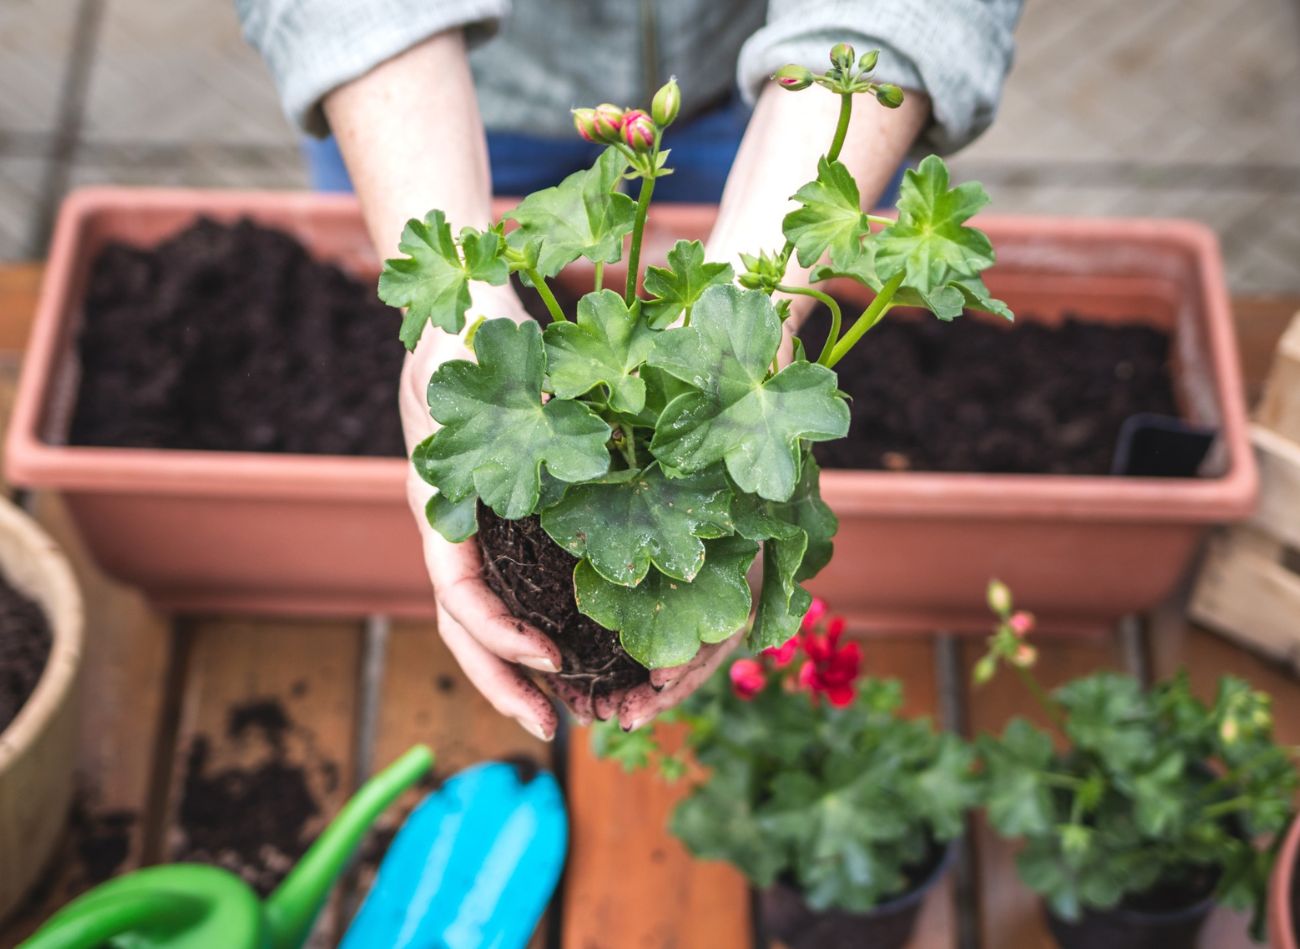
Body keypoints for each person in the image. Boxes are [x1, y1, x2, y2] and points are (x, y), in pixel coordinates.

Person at [235, 0, 1023, 742]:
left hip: (777, 95)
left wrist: (750, 326)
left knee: (721, 306)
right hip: (417, 84)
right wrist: (455, 327)